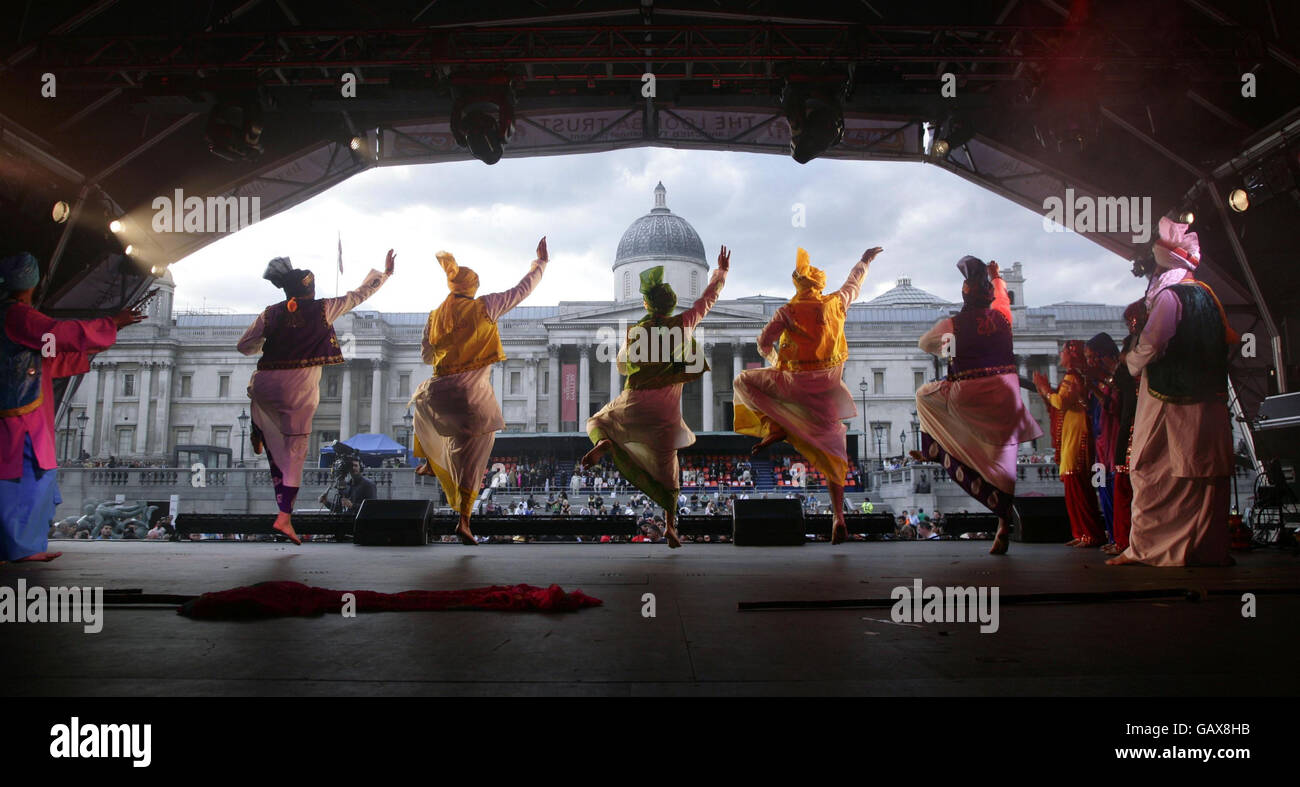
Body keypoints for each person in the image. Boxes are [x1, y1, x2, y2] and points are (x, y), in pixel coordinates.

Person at [239, 250, 394, 545]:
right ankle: (284, 518)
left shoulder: (270, 313)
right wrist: (384, 274)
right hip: (298, 389)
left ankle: (257, 426)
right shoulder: (323, 309)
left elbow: (244, 346)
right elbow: (358, 295)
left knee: (265, 419)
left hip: (264, 384)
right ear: (310, 289)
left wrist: (271, 341)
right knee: (294, 454)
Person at [582, 246, 731, 548]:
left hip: (634, 403)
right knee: (669, 469)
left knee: (596, 420)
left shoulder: (637, 331)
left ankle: (603, 442)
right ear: (672, 302)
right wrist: (721, 273)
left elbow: (624, 365)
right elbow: (705, 302)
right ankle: (672, 527)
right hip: (665, 412)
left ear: (647, 302)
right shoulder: (682, 324)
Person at [733, 246, 883, 544]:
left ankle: (777, 425)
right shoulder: (836, 303)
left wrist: (776, 362)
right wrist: (865, 261)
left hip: (793, 383)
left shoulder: (787, 310)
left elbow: (764, 341)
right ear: (819, 284)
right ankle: (839, 516)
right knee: (834, 456)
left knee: (743, 382)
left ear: (797, 284)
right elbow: (854, 283)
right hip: (826, 390)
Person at [1108, 217, 1235, 566]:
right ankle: (1203, 547)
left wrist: (1128, 364)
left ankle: (1152, 547)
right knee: (1203, 471)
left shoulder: (1169, 297)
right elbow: (1228, 342)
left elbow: (1151, 345)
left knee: (1150, 467)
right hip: (1208, 400)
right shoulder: (1208, 295)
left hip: (1169, 397)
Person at [1, 252, 141, 564]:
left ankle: (16, 546)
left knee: (19, 478)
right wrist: (110, 324)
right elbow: (58, 335)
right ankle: (21, 548)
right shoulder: (19, 315)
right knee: (27, 479)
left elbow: (50, 351)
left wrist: (99, 337)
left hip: (20, 408)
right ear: (33, 283)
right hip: (22, 414)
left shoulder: (10, 317)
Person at [410, 239, 548, 545]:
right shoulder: (485, 306)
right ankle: (464, 520)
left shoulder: (434, 315)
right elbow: (521, 290)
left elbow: (426, 357)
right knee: (478, 449)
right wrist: (539, 264)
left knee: (422, 403)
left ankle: (429, 462)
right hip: (470, 394)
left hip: (437, 389)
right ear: (472, 287)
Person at [912, 257, 1041, 555]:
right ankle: (1001, 525)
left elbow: (924, 344)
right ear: (989, 296)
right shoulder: (1003, 317)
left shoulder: (953, 324)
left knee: (923, 396)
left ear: (964, 295)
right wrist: (997, 277)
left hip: (968, 394)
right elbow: (1002, 298)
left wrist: (948, 349)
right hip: (1007, 398)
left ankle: (933, 448)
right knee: (1005, 465)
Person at [1035, 340, 1106, 547]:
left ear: (1071, 354)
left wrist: (1045, 389)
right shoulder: (1074, 376)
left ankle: (1090, 533)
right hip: (1072, 430)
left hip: (1077, 431)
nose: (1060, 354)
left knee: (1077, 482)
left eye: (1064, 350)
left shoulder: (1072, 376)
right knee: (1073, 482)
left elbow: (1060, 402)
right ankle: (1082, 533)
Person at [1103, 301, 1145, 555]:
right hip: (1131, 420)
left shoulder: (1143, 346)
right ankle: (1124, 538)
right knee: (1122, 479)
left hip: (1136, 421)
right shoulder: (1138, 345)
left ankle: (1131, 540)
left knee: (1128, 480)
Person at [1084, 332, 1121, 549]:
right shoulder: (1101, 381)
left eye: (1090, 357)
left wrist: (1092, 387)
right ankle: (1113, 536)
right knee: (1103, 489)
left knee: (1116, 489)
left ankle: (1121, 538)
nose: (1088, 362)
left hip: (1113, 441)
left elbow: (1113, 406)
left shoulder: (1115, 380)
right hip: (1100, 443)